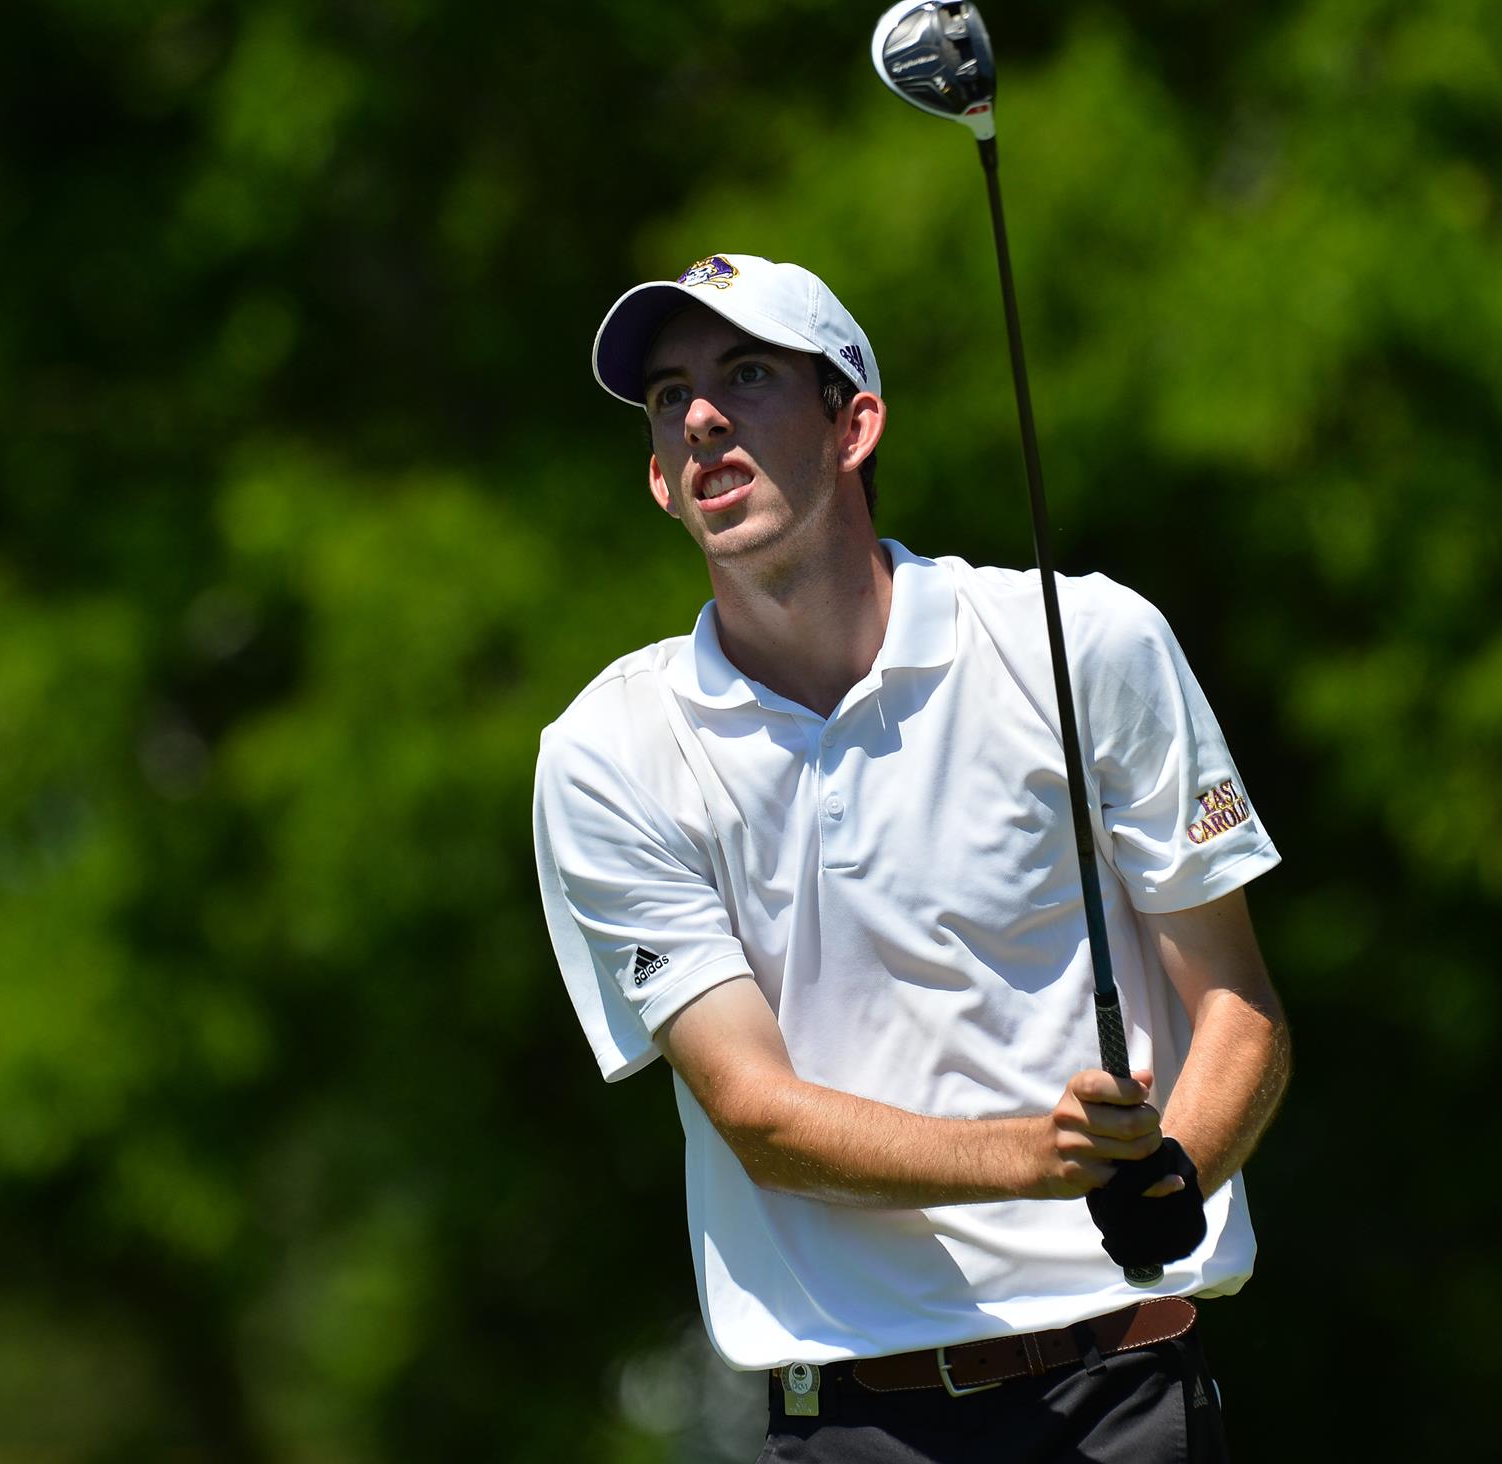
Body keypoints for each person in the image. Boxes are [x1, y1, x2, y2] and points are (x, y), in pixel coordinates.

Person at [533, 253, 1291, 1462]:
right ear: (661, 486)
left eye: (745, 375)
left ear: (853, 423)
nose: (702, 416)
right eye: (670, 398)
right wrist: (1039, 1163)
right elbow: (757, 1114)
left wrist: (1175, 1174)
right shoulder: (609, 752)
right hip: (849, 1427)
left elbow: (1237, 1005)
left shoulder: (1084, 640)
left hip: (1125, 1391)